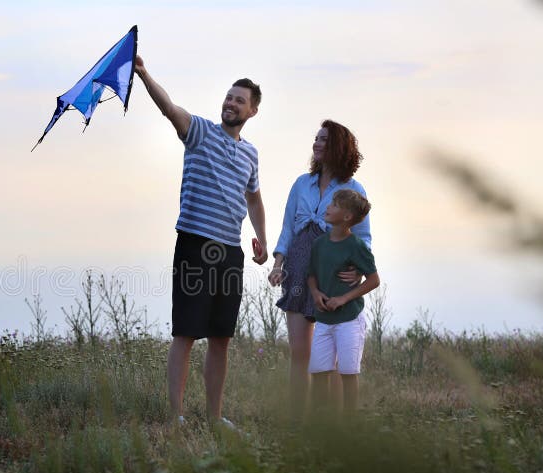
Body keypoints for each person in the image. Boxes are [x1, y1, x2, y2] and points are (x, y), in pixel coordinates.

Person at [133, 55, 268, 426]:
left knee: (221, 337)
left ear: (252, 111)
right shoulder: (200, 132)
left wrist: (261, 239)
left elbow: (253, 198)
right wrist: (145, 75)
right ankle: (175, 416)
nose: (231, 103)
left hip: (229, 253)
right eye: (228, 97)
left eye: (240, 100)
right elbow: (169, 109)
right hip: (194, 244)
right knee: (187, 332)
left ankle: (214, 417)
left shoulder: (250, 154)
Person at [268, 120, 371, 417]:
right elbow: (288, 227)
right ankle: (298, 419)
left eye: (324, 139)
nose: (316, 144)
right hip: (298, 269)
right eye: (316, 138)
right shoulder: (302, 183)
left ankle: (332, 422)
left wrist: (359, 272)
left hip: (335, 274)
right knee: (300, 352)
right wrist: (278, 264)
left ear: (338, 146)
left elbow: (363, 238)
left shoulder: (354, 188)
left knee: (333, 354)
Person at [307, 189, 379, 412]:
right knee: (319, 372)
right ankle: (322, 422)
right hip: (324, 321)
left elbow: (373, 280)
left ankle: (349, 424)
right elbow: (311, 274)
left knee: (348, 373)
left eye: (334, 205)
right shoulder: (319, 244)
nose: (328, 208)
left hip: (349, 320)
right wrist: (316, 294)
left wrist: (344, 298)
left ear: (347, 217)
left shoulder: (356, 245)